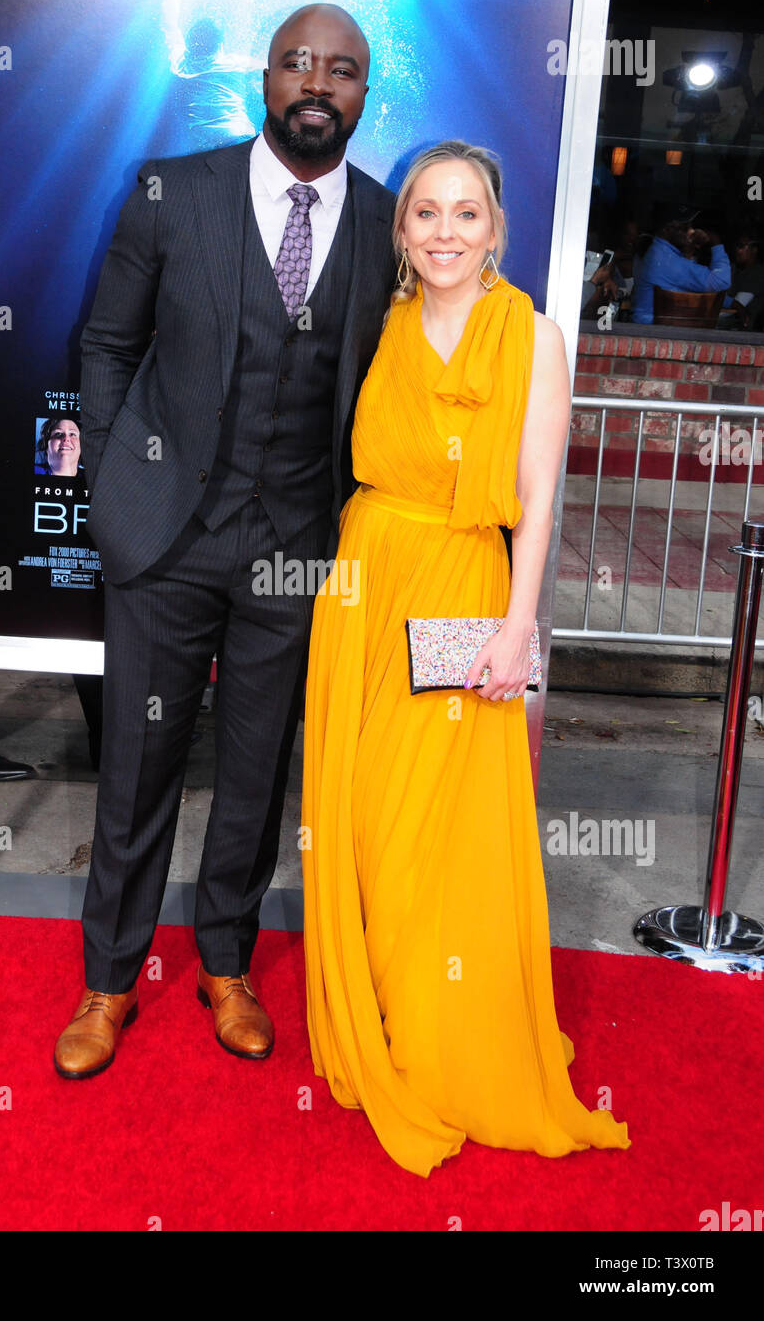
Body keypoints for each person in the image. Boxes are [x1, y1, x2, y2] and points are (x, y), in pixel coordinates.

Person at [53, 3, 398, 1079]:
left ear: (361, 93)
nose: (315, 81)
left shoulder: (386, 221)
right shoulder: (172, 191)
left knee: (254, 773)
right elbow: (107, 341)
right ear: (264, 74)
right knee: (138, 766)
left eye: (339, 69)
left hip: (294, 546)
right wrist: (116, 477)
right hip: (164, 541)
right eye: (297, 60)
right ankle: (108, 982)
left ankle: (224, 965)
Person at [301, 140, 631, 1177]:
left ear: (494, 228)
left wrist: (517, 626)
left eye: (465, 214)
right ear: (400, 232)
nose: (445, 232)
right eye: (425, 214)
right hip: (363, 584)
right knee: (360, 824)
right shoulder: (386, 324)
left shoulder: (529, 335)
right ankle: (397, 1015)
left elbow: (535, 502)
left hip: (461, 593)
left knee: (429, 828)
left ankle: (447, 1041)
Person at [630, 203, 730, 324]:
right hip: (652, 335)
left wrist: (689, 249)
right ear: (666, 230)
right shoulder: (667, 260)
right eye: (685, 228)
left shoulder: (661, 252)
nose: (692, 231)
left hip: (655, 330)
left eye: (691, 226)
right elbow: (722, 281)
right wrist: (715, 241)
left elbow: (689, 286)